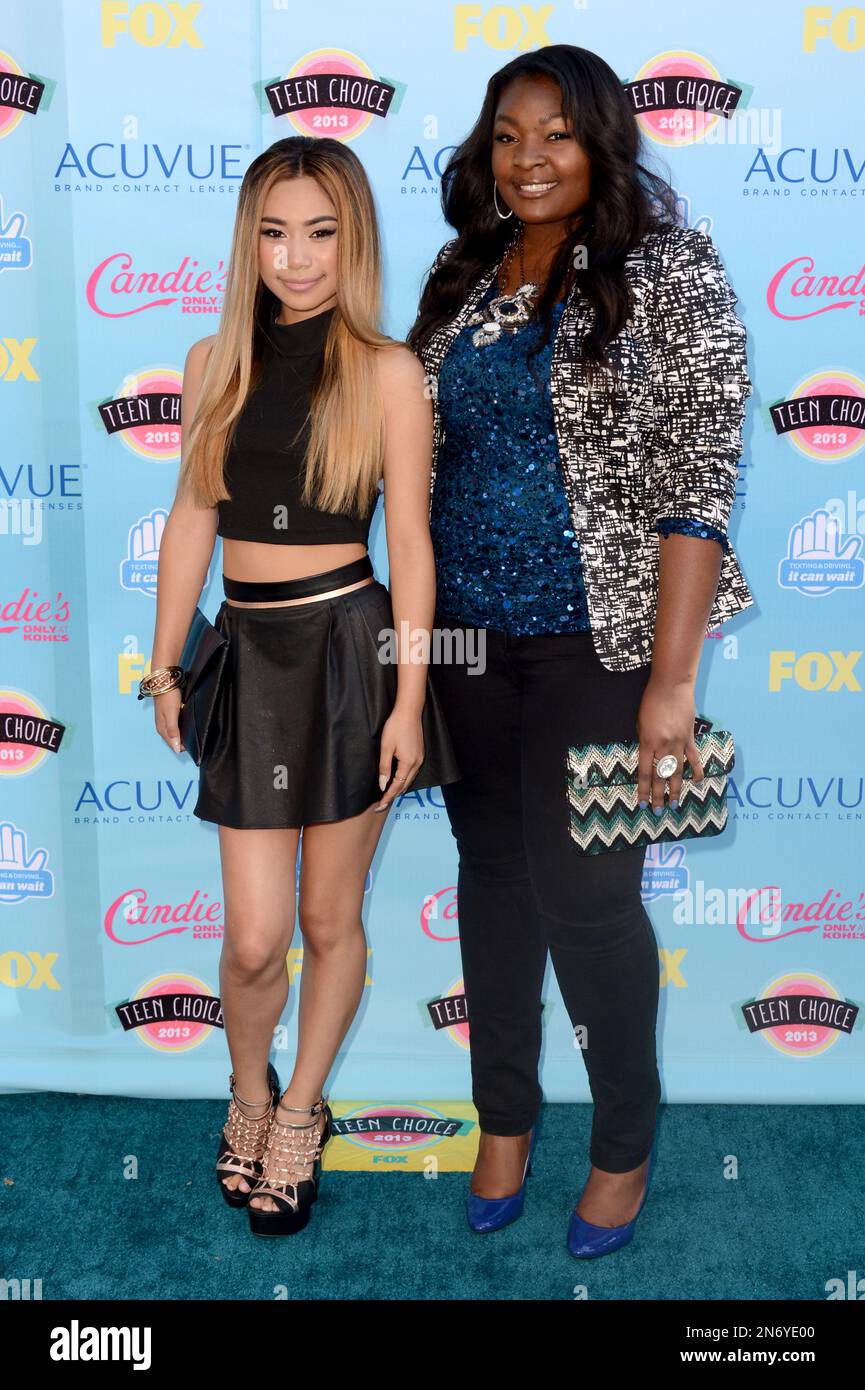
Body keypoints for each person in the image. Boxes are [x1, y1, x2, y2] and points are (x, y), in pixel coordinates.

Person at [408, 44, 753, 1256]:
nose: (529, 157)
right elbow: (415, 459)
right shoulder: (462, 275)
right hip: (463, 642)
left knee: (590, 903)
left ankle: (623, 1143)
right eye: (507, 134)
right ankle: (502, 1122)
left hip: (598, 643)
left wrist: (672, 681)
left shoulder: (667, 267)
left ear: (603, 139)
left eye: (555, 132)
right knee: (491, 884)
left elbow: (697, 478)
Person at [142, 135, 460, 1238]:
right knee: (250, 937)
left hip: (348, 654)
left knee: (331, 917)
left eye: (319, 232)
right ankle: (247, 1088)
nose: (297, 256)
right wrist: (165, 662)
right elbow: (190, 518)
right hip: (244, 649)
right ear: (249, 240)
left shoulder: (383, 370)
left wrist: (411, 700)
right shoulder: (209, 362)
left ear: (352, 237)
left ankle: (301, 1112)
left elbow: (411, 545)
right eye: (274, 232)